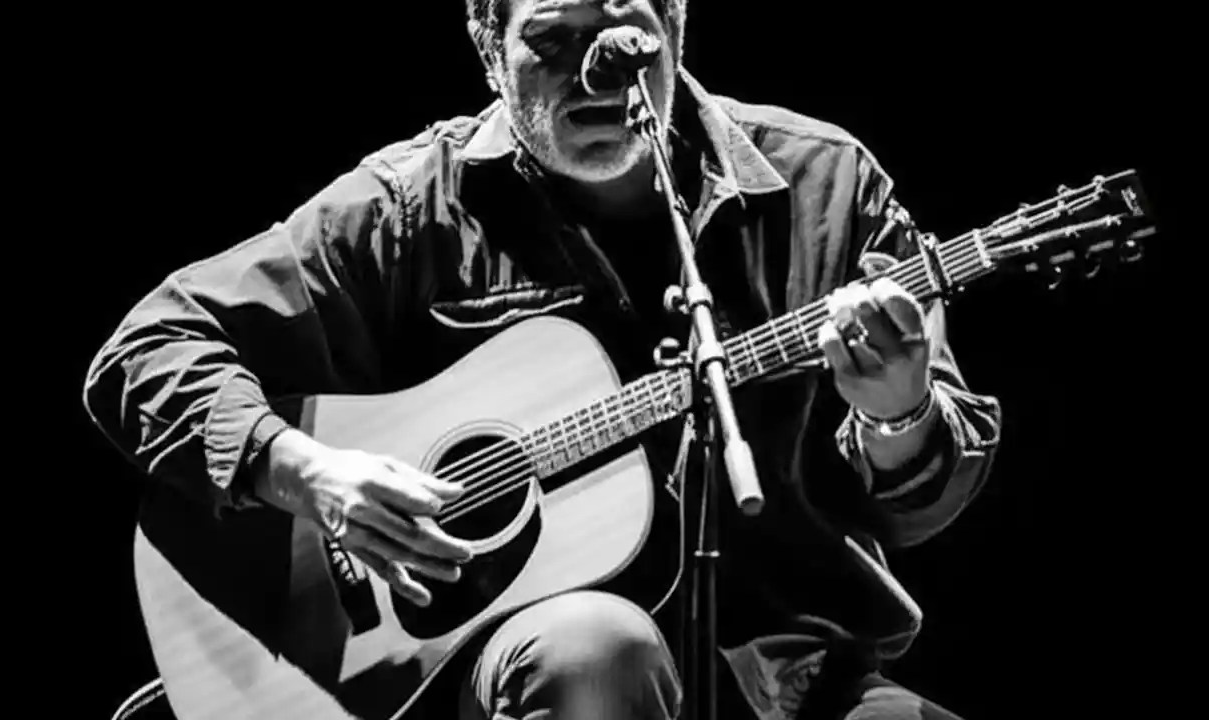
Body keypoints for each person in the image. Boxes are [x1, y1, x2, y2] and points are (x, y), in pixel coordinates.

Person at [84, 1, 1003, 718]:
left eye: (625, 38)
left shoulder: (824, 184)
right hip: (507, 674)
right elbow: (147, 348)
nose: (595, 71)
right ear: (490, 51)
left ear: (675, 27)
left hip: (788, 675)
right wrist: (306, 472)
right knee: (598, 653)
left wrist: (898, 411)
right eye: (553, 41)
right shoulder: (411, 208)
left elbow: (921, 508)